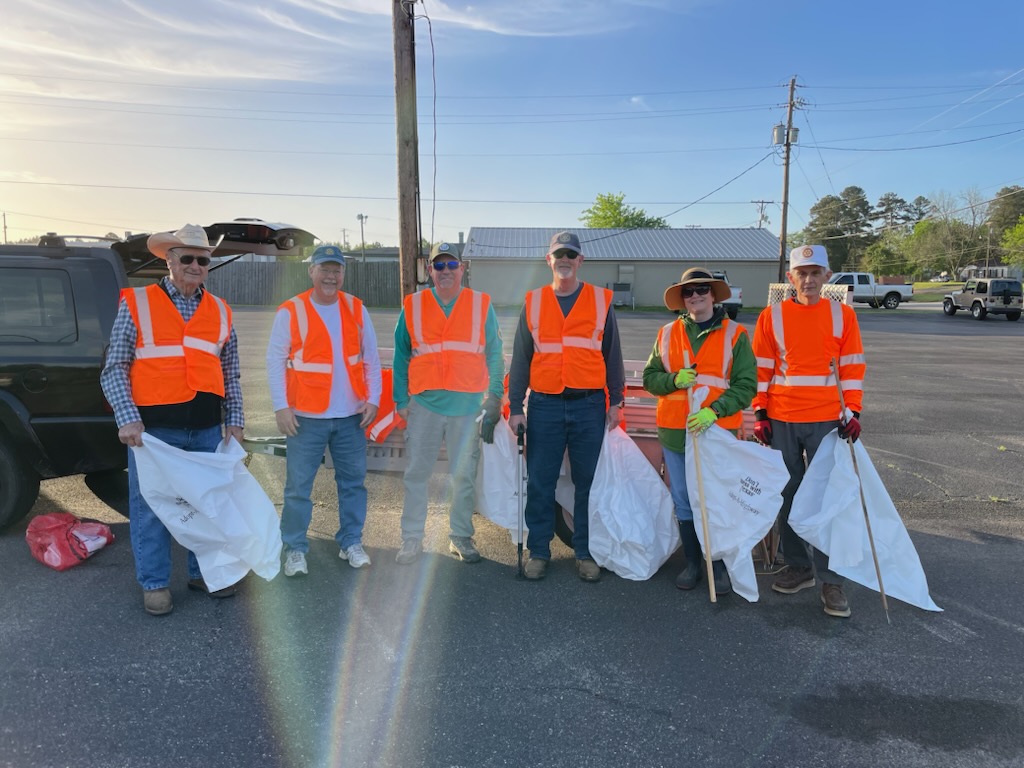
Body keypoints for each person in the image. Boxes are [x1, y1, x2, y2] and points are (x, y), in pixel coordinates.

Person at [101, 223, 245, 616]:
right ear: (170, 260)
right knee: (152, 508)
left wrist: (235, 421)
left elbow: (230, 372)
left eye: (203, 260)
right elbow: (114, 367)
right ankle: (155, 584)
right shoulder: (138, 303)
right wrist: (127, 419)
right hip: (153, 432)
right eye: (188, 258)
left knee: (207, 504)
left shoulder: (220, 311)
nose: (196, 266)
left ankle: (205, 574)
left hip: (205, 429)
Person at [751, 244, 865, 618]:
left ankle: (832, 579)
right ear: (791, 278)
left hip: (828, 420)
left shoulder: (842, 316)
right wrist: (760, 412)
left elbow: (850, 367)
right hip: (782, 418)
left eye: (816, 272)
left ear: (827, 276)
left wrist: (854, 410)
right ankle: (799, 565)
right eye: (802, 273)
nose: (809, 279)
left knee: (828, 497)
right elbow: (762, 368)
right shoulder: (772, 316)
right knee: (790, 493)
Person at [508, 231, 625, 582]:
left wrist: (616, 400)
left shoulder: (602, 301)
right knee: (541, 481)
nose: (565, 260)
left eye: (571, 255)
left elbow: (612, 354)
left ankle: (585, 552)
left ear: (580, 261)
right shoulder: (534, 301)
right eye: (559, 254)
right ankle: (539, 551)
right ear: (549, 260)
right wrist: (516, 406)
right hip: (544, 406)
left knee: (586, 482)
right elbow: (521, 359)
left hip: (588, 405)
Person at [266, 245, 382, 577]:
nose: (331, 277)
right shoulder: (291, 311)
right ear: (311, 272)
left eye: (337, 270)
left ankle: (350, 542)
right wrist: (281, 407)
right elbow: (274, 362)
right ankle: (295, 549)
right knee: (298, 488)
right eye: (324, 269)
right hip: (305, 418)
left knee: (353, 484)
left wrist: (373, 399)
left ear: (343, 274)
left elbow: (371, 359)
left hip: (350, 416)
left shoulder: (356, 309)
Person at [642, 267, 757, 595]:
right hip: (676, 432)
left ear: (713, 294)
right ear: (682, 298)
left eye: (702, 289)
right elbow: (651, 378)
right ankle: (693, 563)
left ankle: (717, 564)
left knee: (716, 500)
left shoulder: (735, 334)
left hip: (717, 434)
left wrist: (714, 411)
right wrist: (673, 380)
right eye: (689, 292)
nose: (695, 296)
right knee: (684, 500)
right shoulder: (666, 334)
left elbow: (747, 385)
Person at [392, 242, 505, 564]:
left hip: (467, 408)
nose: (445, 272)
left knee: (463, 476)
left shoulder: (481, 305)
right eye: (438, 266)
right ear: (429, 270)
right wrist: (401, 399)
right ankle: (412, 538)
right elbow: (401, 356)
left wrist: (494, 394)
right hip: (425, 406)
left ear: (462, 268)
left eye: (451, 265)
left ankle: (460, 537)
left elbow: (495, 354)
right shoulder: (413, 305)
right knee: (416, 475)